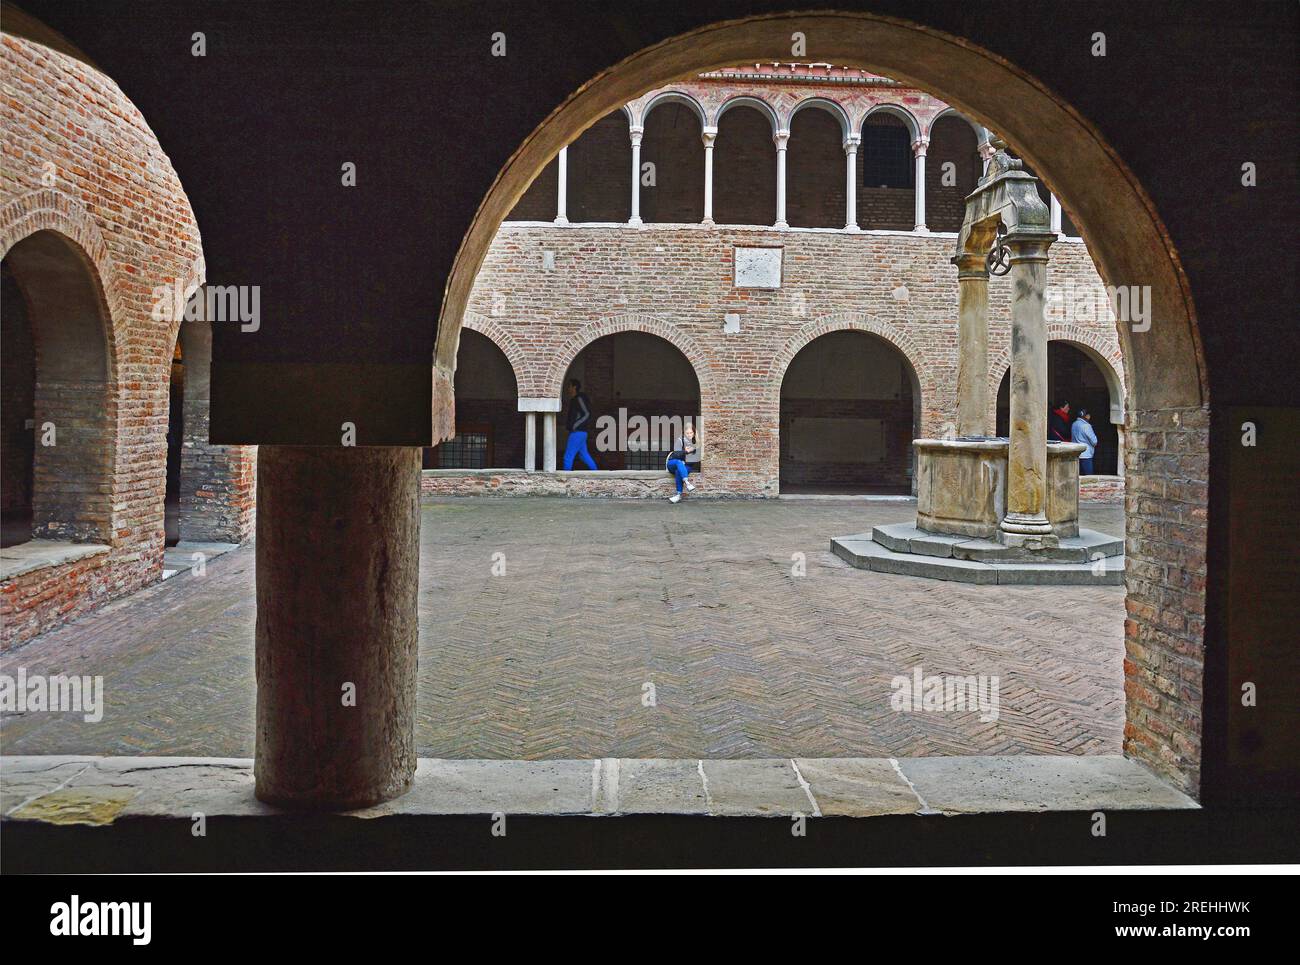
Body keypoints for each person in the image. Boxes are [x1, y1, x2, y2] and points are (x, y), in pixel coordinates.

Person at [562, 378, 597, 471]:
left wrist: (575, 425)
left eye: (569, 386)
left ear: (575, 387)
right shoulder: (574, 399)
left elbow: (586, 413)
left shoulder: (579, 398)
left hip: (578, 432)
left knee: (567, 457)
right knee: (583, 455)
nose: (568, 388)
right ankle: (596, 474)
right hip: (581, 433)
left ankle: (564, 479)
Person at [665, 422, 699, 504]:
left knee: (678, 471)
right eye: (687, 433)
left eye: (691, 432)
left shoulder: (695, 444)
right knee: (679, 462)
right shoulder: (680, 440)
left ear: (694, 433)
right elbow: (676, 454)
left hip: (686, 466)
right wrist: (685, 452)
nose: (689, 434)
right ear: (684, 433)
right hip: (673, 463)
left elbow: (695, 460)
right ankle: (687, 483)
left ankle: (678, 495)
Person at [1071, 407, 1098, 475]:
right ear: (1087, 416)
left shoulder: (1074, 424)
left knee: (1077, 476)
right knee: (1088, 477)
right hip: (1086, 455)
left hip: (1076, 453)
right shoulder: (1086, 426)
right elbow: (1094, 441)